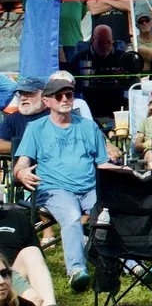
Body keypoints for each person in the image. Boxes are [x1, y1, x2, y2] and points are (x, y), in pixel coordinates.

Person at [12, 76, 109, 290]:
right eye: (59, 96)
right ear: (47, 102)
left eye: (69, 95)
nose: (65, 99)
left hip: (90, 188)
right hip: (54, 189)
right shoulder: (36, 129)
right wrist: (21, 174)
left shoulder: (87, 126)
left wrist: (127, 172)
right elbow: (21, 165)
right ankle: (76, 270)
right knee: (72, 216)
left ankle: (131, 263)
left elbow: (103, 164)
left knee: (109, 212)